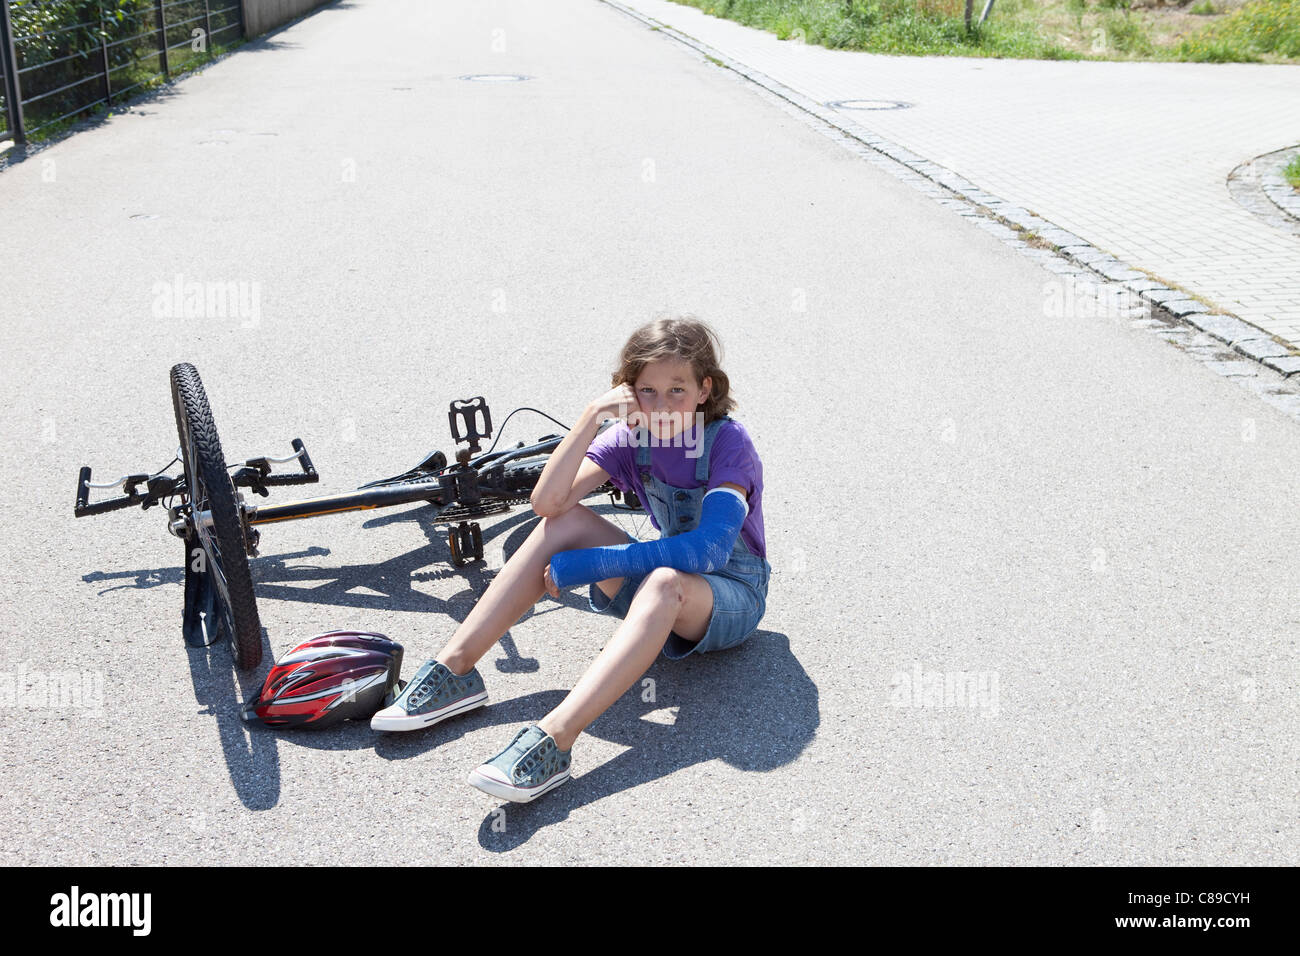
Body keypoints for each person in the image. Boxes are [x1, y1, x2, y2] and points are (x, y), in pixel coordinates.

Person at [371, 316, 770, 803]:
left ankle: (555, 739)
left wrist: (590, 565)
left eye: (677, 390)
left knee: (667, 580)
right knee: (565, 525)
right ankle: (456, 669)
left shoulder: (730, 443)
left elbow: (707, 551)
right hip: (658, 584)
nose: (662, 407)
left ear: (705, 389)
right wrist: (591, 416)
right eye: (647, 391)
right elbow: (548, 504)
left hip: (729, 595)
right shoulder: (632, 440)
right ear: (628, 392)